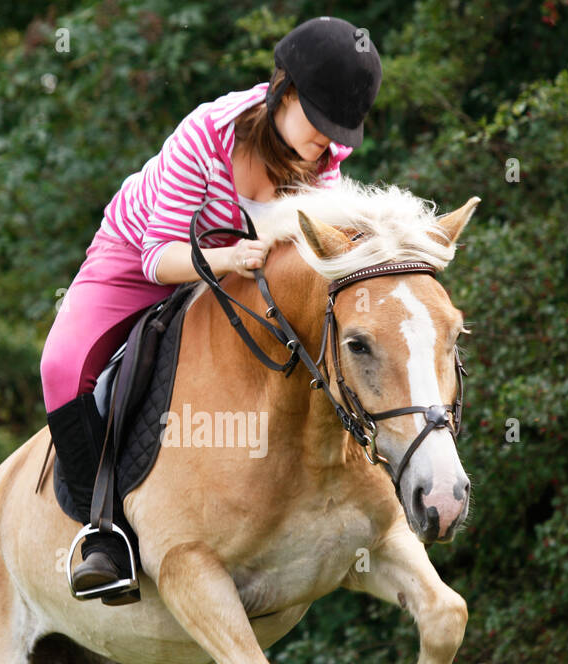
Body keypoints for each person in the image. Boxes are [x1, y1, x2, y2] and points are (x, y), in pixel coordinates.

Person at [41, 15, 382, 602]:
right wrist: (227, 259)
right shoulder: (207, 132)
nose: (329, 143)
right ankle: (103, 536)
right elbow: (156, 259)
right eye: (321, 122)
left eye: (339, 130)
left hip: (241, 267)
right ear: (286, 91)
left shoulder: (327, 154)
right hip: (141, 257)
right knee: (59, 364)